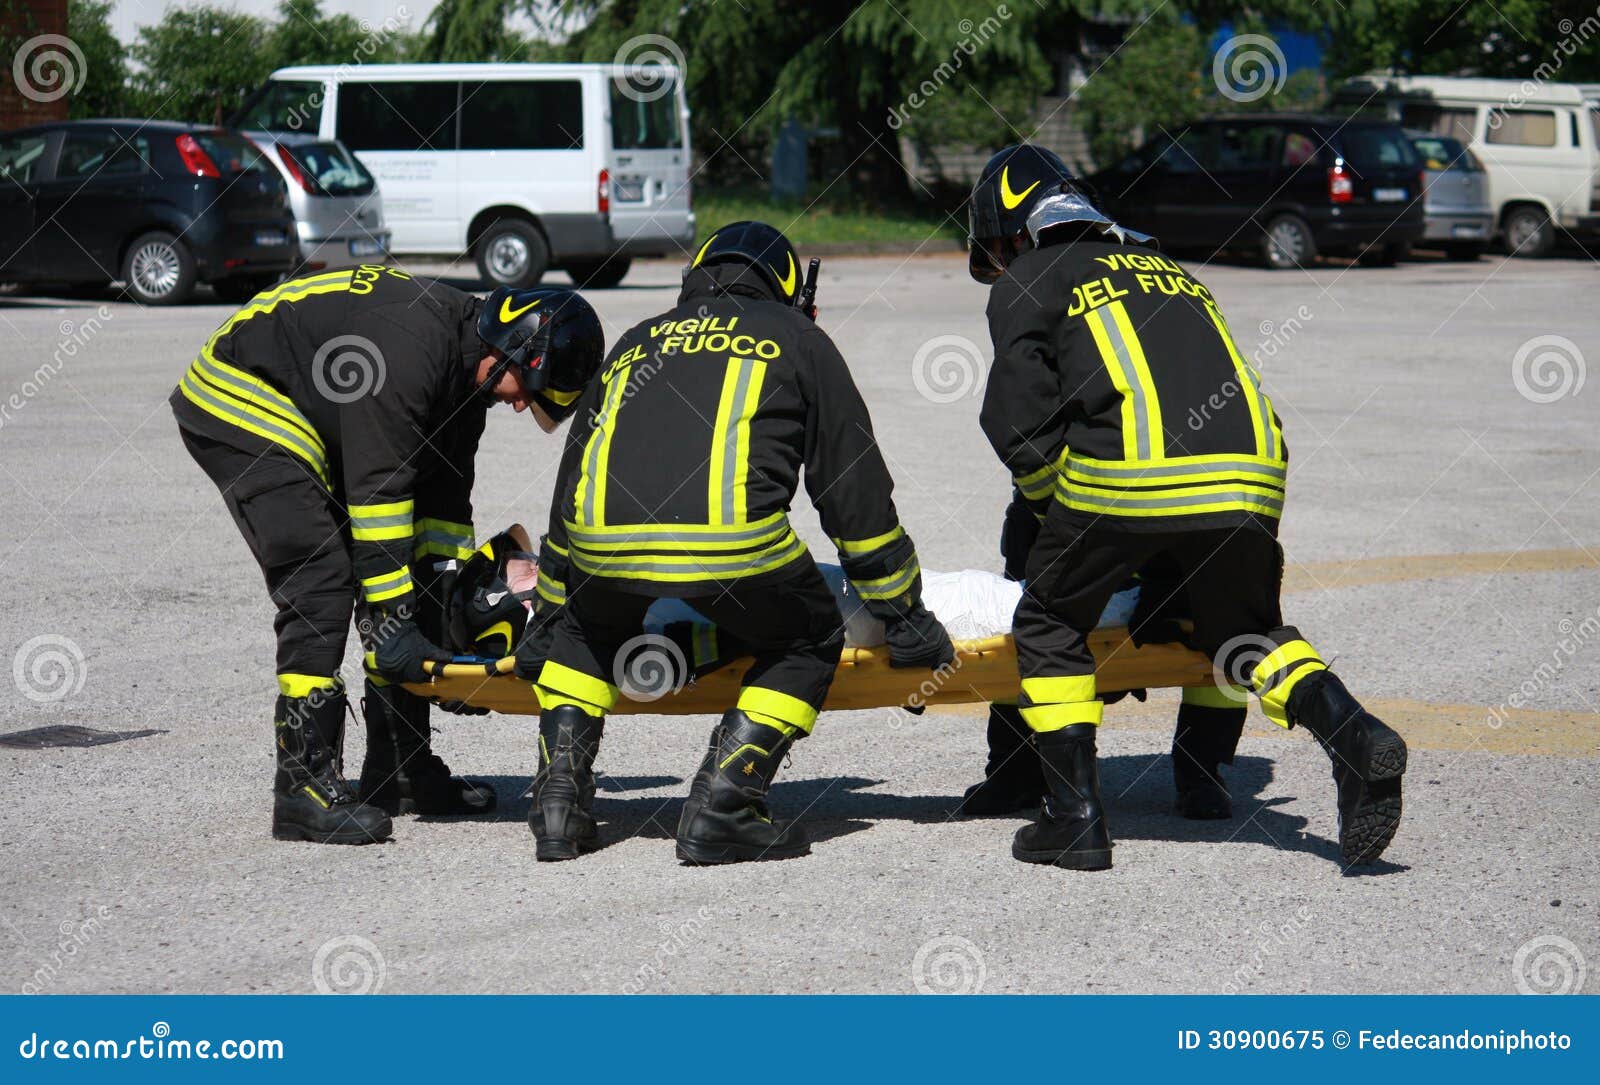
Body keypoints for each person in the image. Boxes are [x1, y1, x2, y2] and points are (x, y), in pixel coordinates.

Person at [968, 145, 1407, 870]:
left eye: (996, 247)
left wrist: (1054, 520)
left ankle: (1074, 818)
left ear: (1015, 232)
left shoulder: (1027, 279)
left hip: (1129, 478)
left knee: (1048, 621)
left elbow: (1017, 422)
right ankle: (1354, 735)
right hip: (1249, 477)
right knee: (1243, 632)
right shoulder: (1174, 272)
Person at [516, 221, 955, 864]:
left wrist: (552, 618)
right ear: (787, 288)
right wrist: (904, 615)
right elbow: (852, 493)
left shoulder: (639, 340)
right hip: (736, 553)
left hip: (601, 549)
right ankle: (724, 804)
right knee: (807, 637)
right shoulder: (799, 339)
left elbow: (570, 487)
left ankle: (558, 807)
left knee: (587, 631)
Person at [171, 266, 602, 845]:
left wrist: (443, 629)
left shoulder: (467, 381)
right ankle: (300, 788)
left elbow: (443, 507)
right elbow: (378, 495)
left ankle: (397, 768)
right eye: (527, 389)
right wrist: (397, 623)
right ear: (511, 346)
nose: (523, 406)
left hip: (320, 405)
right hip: (239, 390)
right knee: (320, 573)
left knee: (397, 588)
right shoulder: (409, 351)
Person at [956, 498, 1250, 822]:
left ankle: (1202, 775)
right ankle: (1015, 770)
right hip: (1059, 510)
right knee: (1023, 634)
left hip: (1182, 511)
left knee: (1207, 632)